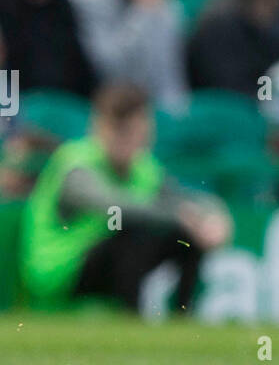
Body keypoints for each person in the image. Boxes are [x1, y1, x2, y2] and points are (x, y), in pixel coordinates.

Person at [20, 82, 232, 314]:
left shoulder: (143, 167)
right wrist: (183, 216)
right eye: (119, 130)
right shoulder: (75, 164)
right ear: (99, 127)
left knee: (186, 236)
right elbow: (115, 205)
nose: (126, 139)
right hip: (61, 272)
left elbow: (181, 196)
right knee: (133, 233)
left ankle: (182, 314)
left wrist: (212, 215)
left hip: (107, 261)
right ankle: (132, 317)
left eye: (133, 131)